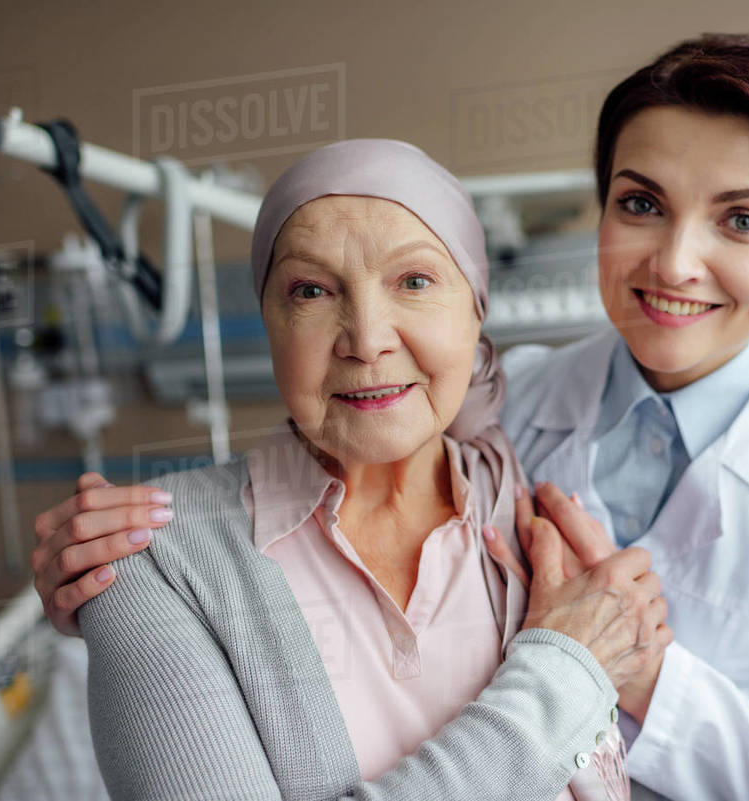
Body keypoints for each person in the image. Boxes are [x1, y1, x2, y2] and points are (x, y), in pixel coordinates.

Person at [33, 33, 749, 800]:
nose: (677, 261)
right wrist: (101, 573)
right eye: (641, 204)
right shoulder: (501, 406)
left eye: (740, 220)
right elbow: (305, 495)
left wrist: (647, 677)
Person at [38, 137, 670, 800]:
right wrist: (561, 677)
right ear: (271, 323)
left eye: (415, 281)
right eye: (311, 290)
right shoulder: (150, 557)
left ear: (475, 308)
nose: (366, 338)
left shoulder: (524, 499)